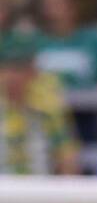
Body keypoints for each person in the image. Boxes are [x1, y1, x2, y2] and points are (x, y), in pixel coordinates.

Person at [0, 34, 79, 174]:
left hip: (40, 188)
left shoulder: (48, 107)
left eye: (20, 68)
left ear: (33, 72)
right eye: (7, 68)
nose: (13, 76)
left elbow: (67, 156)